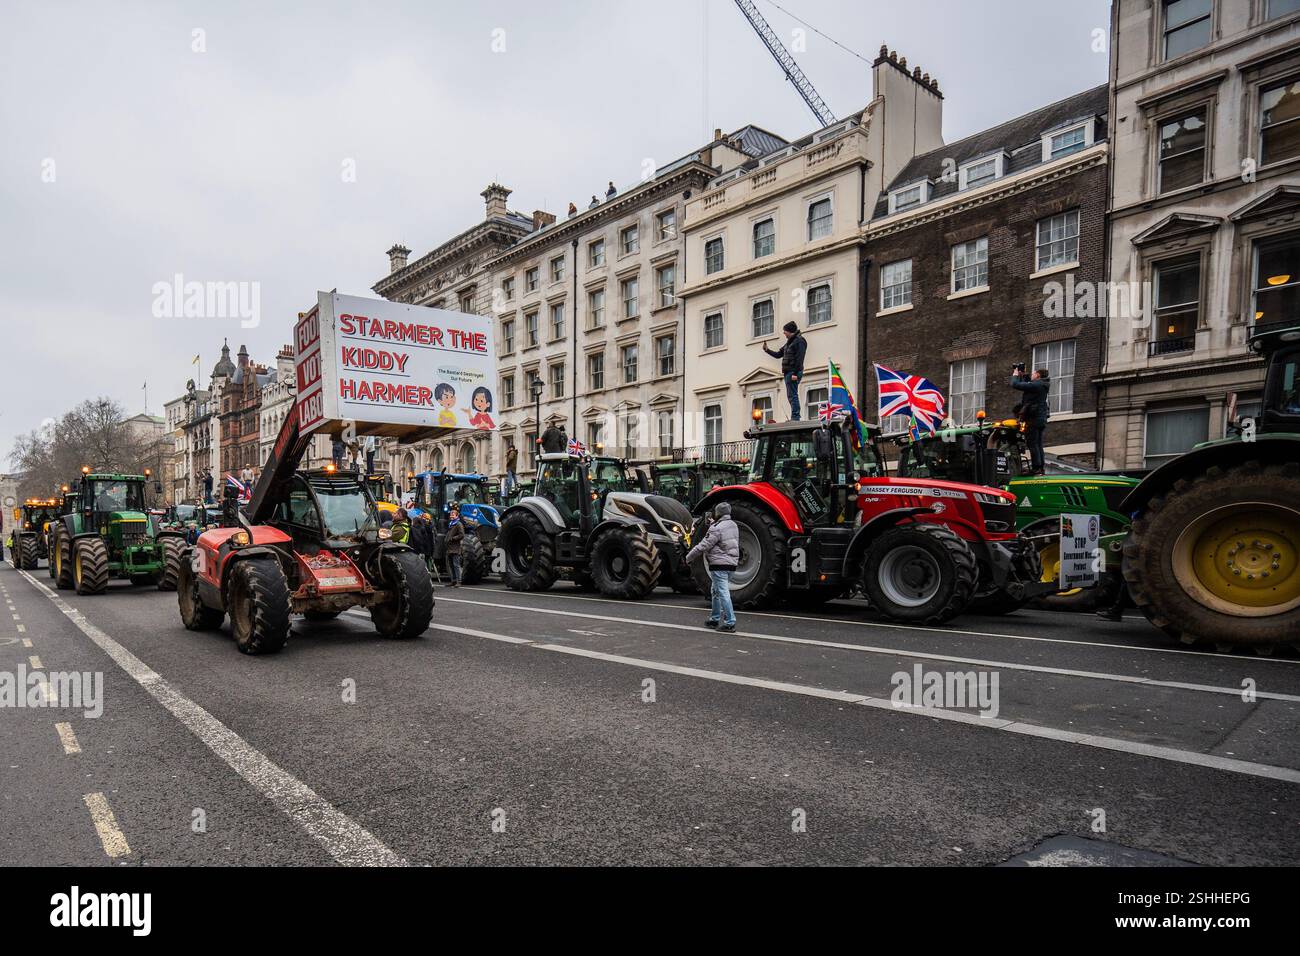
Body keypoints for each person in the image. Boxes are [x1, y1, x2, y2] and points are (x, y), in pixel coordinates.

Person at [685, 501, 740, 633]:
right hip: (731, 563)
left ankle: (730, 622)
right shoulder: (733, 525)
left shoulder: (716, 527)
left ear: (718, 513)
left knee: (722, 592)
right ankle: (714, 619)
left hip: (719, 564)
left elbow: (704, 545)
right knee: (715, 592)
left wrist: (688, 557)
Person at [1010, 365, 1051, 476]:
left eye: (1033, 374)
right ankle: (1040, 468)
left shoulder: (1037, 384)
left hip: (1033, 418)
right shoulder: (1042, 385)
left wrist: (1015, 375)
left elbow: (1015, 385)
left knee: (1032, 444)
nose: (1031, 375)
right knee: (1038, 444)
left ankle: (1036, 468)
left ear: (1038, 375)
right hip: (1040, 419)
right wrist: (1023, 375)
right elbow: (1028, 384)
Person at [763, 321, 808, 421]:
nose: (784, 333)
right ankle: (795, 415)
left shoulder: (799, 341)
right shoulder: (789, 343)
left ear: (790, 331)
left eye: (785, 331)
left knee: (793, 395)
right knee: (791, 395)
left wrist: (796, 373)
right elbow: (779, 354)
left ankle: (795, 417)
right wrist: (767, 350)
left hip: (793, 372)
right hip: (788, 372)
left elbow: (800, 358)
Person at [444, 505, 465, 587]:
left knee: (456, 565)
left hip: (455, 548)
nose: (451, 516)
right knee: (451, 565)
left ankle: (459, 581)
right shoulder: (451, 524)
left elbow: (462, 535)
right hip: (449, 548)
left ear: (457, 516)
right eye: (451, 514)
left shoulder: (458, 524)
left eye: (453, 515)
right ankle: (453, 580)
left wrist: (453, 538)